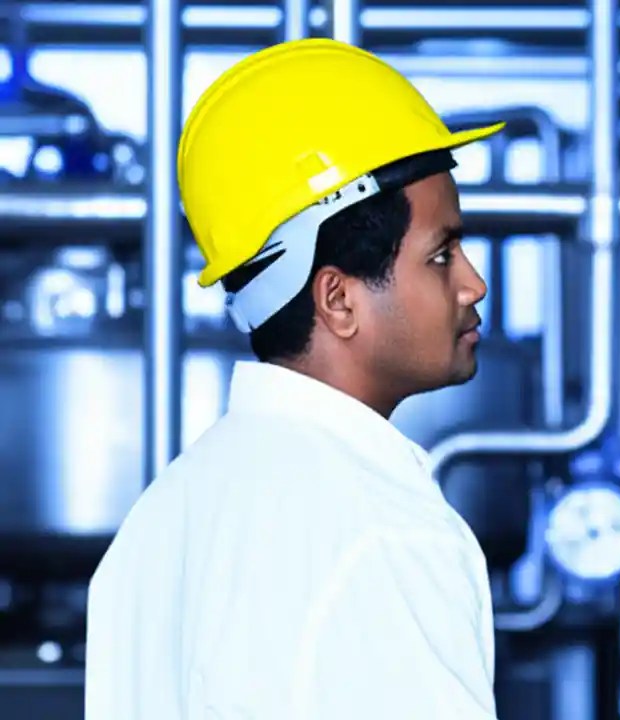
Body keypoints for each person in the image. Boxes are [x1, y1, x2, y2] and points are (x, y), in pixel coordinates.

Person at [84, 38, 505, 719]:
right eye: (442, 255)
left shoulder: (163, 520)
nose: (473, 284)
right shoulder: (386, 531)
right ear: (337, 300)